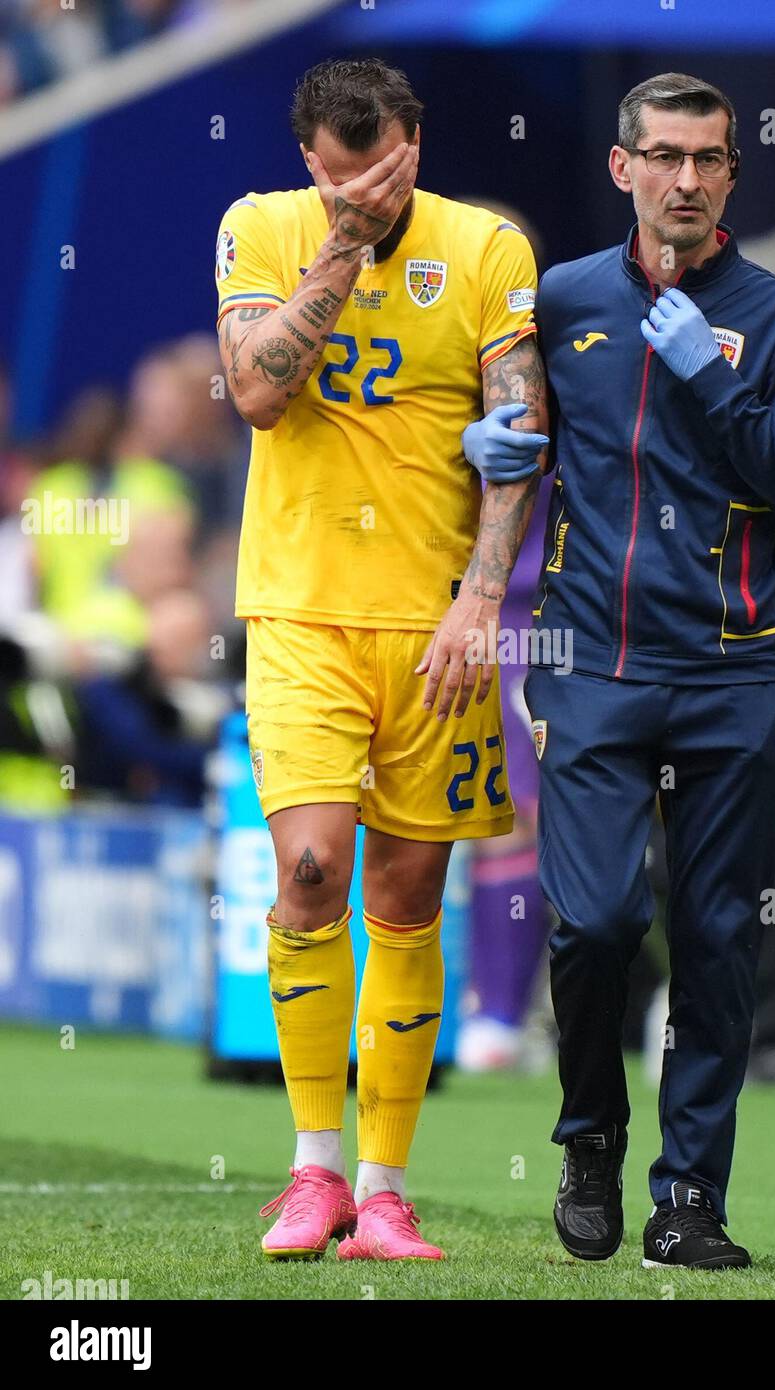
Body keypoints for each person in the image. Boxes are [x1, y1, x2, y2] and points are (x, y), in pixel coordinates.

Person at [215, 57, 547, 1262]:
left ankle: (386, 1188)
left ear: (419, 138)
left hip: (437, 628)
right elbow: (255, 390)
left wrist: (481, 596)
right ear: (312, 159)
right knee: (311, 873)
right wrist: (342, 247)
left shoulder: (486, 247)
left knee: (407, 901)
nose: (379, 188)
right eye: (351, 173)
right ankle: (310, 1174)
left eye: (395, 164)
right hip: (301, 613)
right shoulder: (262, 227)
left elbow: (520, 435)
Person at [520, 73, 775, 1270]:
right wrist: (486, 447)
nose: (686, 181)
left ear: (733, 175)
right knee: (595, 924)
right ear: (624, 169)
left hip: (736, 675)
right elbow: (512, 460)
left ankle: (688, 1200)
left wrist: (715, 375)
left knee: (715, 945)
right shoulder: (564, 303)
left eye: (708, 159)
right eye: (663, 156)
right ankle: (589, 1141)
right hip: (593, 669)